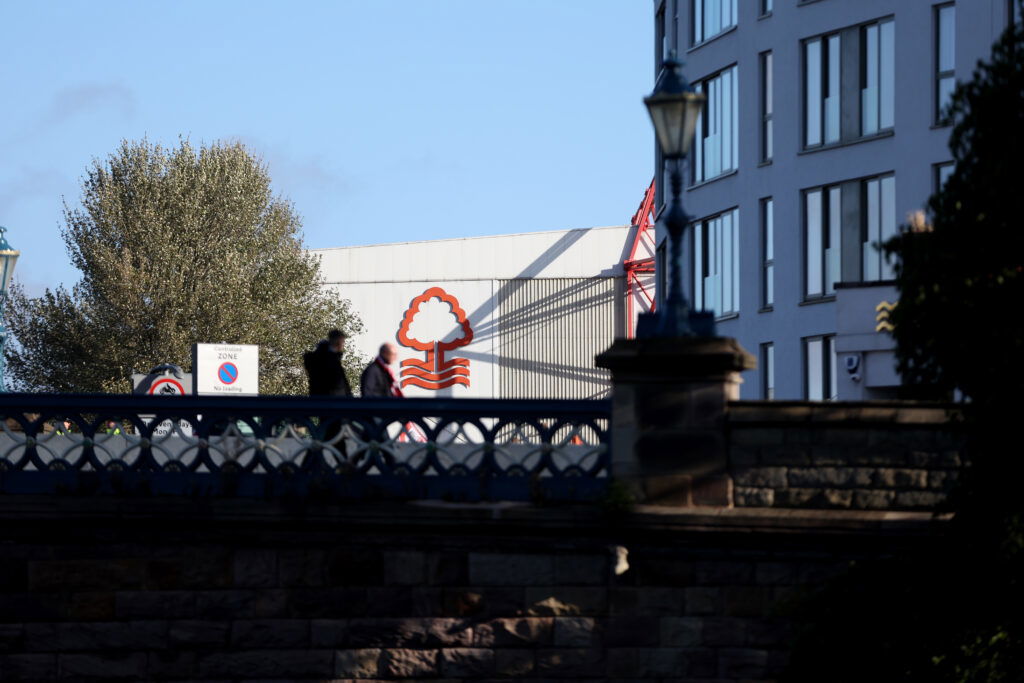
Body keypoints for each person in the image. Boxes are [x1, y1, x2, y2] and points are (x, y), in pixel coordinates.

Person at [304, 329, 353, 397]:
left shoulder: (323, 356)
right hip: (329, 402)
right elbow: (336, 383)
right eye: (343, 342)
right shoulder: (330, 359)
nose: (343, 345)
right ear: (338, 342)